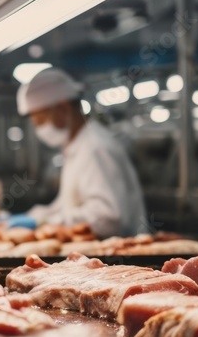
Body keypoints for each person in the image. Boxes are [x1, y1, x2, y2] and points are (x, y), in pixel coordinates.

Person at [9, 68, 146, 238]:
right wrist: (34, 216)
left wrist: (45, 222)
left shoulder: (95, 147)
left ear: (63, 107)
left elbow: (107, 217)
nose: (39, 128)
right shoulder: (76, 147)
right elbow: (67, 207)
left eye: (41, 120)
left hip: (118, 250)